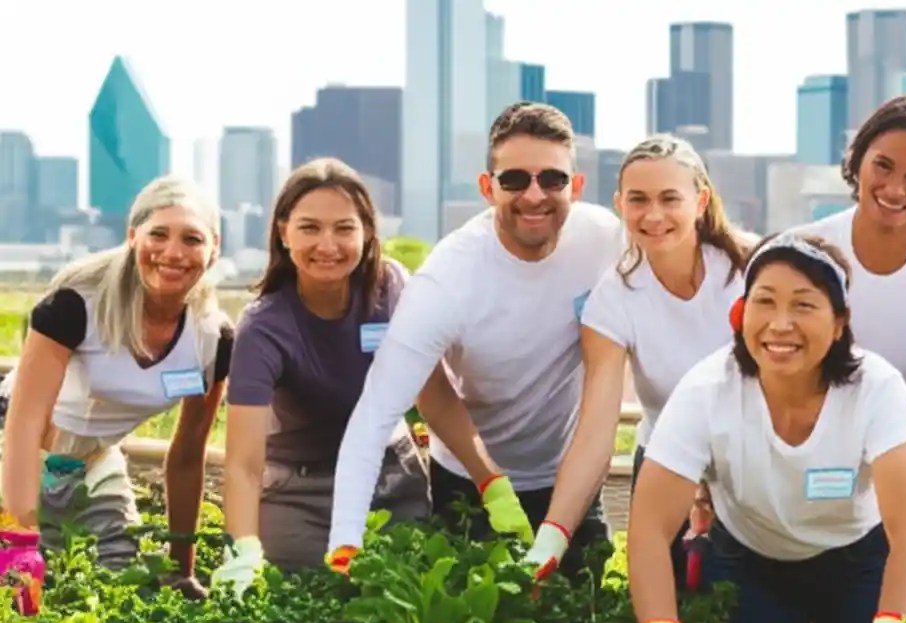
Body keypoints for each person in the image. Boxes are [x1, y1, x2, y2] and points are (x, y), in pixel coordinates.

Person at [626, 233, 906, 623]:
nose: (780, 324)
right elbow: (649, 527)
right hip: (750, 560)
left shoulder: (875, 388)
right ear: (742, 313)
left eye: (805, 305)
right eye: (764, 302)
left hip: (856, 561)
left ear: (839, 323)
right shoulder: (708, 389)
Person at [325, 102, 625, 572]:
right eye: (513, 180)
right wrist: (345, 539)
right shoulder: (449, 278)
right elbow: (375, 413)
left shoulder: (605, 239)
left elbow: (690, 255)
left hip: (573, 480)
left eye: (552, 179)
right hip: (467, 480)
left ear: (577, 186)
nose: (534, 196)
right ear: (487, 188)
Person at [784, 95, 906, 623]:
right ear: (858, 161)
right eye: (884, 167)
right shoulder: (806, 250)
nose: (896, 189)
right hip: (825, 477)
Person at [523, 133, 745, 583]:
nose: (654, 215)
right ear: (620, 204)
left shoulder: (751, 271)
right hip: (666, 465)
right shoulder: (614, 297)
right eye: (639, 200)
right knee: (670, 616)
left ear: (700, 201)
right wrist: (551, 538)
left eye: (670, 198)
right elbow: (594, 434)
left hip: (750, 465)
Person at [0, 176, 233, 605]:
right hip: (13, 448)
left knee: (123, 588)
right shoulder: (76, 305)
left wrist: (182, 570)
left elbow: (186, 456)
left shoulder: (212, 340)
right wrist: (19, 541)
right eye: (158, 234)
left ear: (213, 248)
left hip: (95, 460)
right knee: (19, 591)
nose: (173, 253)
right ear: (133, 237)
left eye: (192, 239)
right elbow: (24, 424)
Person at [209, 158, 430, 592]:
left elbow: (437, 389)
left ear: (366, 233)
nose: (327, 244)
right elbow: (244, 464)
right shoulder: (263, 327)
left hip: (392, 481)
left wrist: (489, 480)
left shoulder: (392, 289)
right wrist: (243, 550)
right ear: (282, 231)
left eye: (344, 228)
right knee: (314, 608)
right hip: (304, 492)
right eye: (310, 228)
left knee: (401, 608)